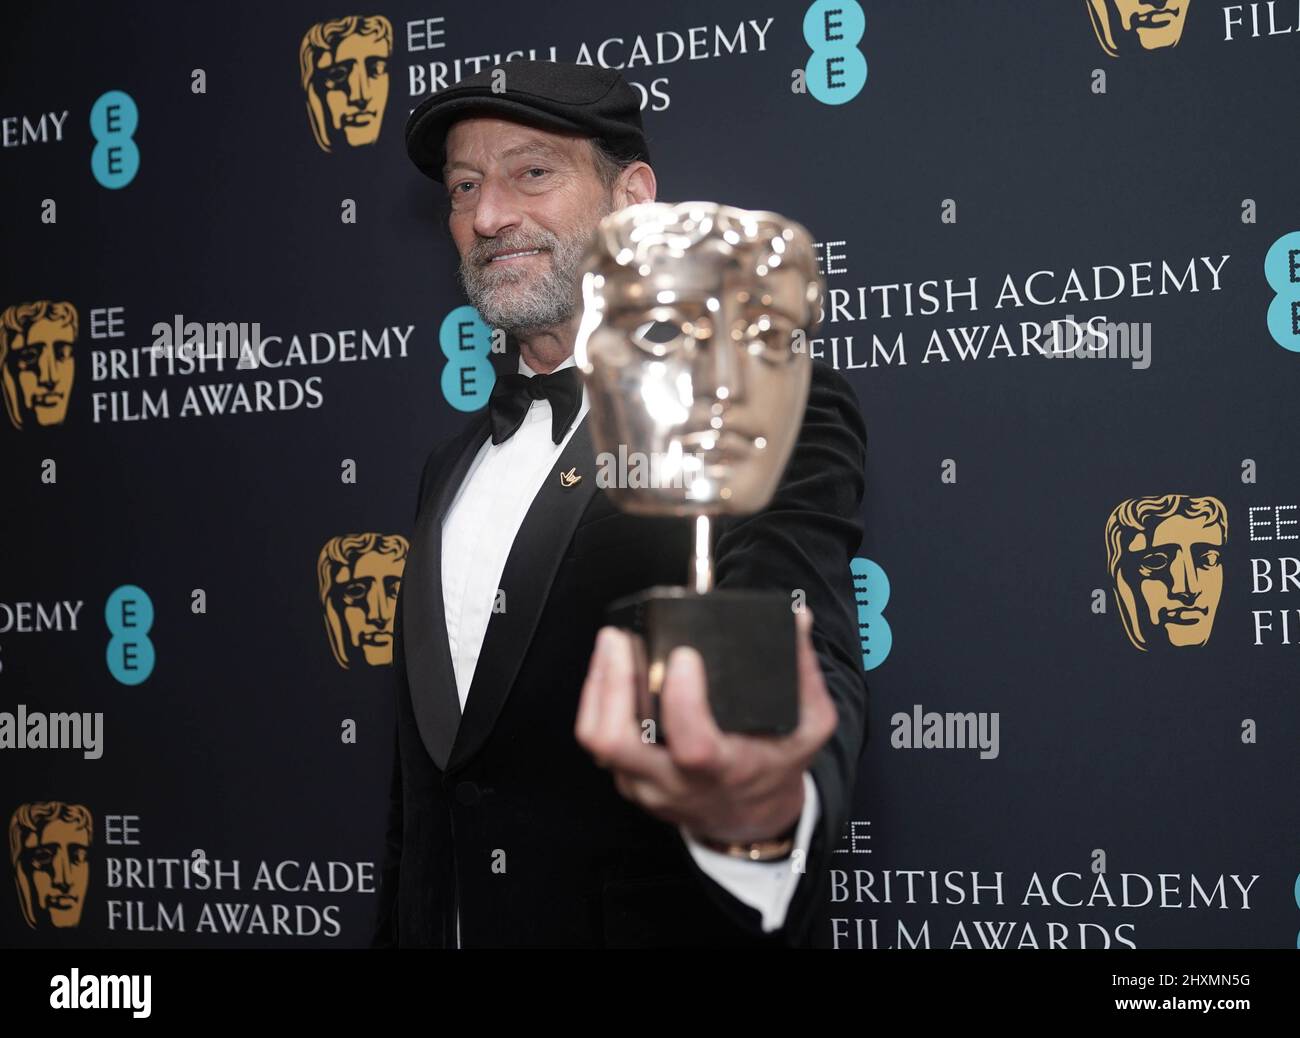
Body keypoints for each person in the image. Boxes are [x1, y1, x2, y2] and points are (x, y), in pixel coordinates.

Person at [373, 60, 869, 948]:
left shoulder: (747, 409)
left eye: (532, 172)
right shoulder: (445, 468)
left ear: (631, 198)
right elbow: (426, 807)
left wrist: (760, 805)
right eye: (464, 187)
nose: (489, 217)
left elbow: (805, 635)